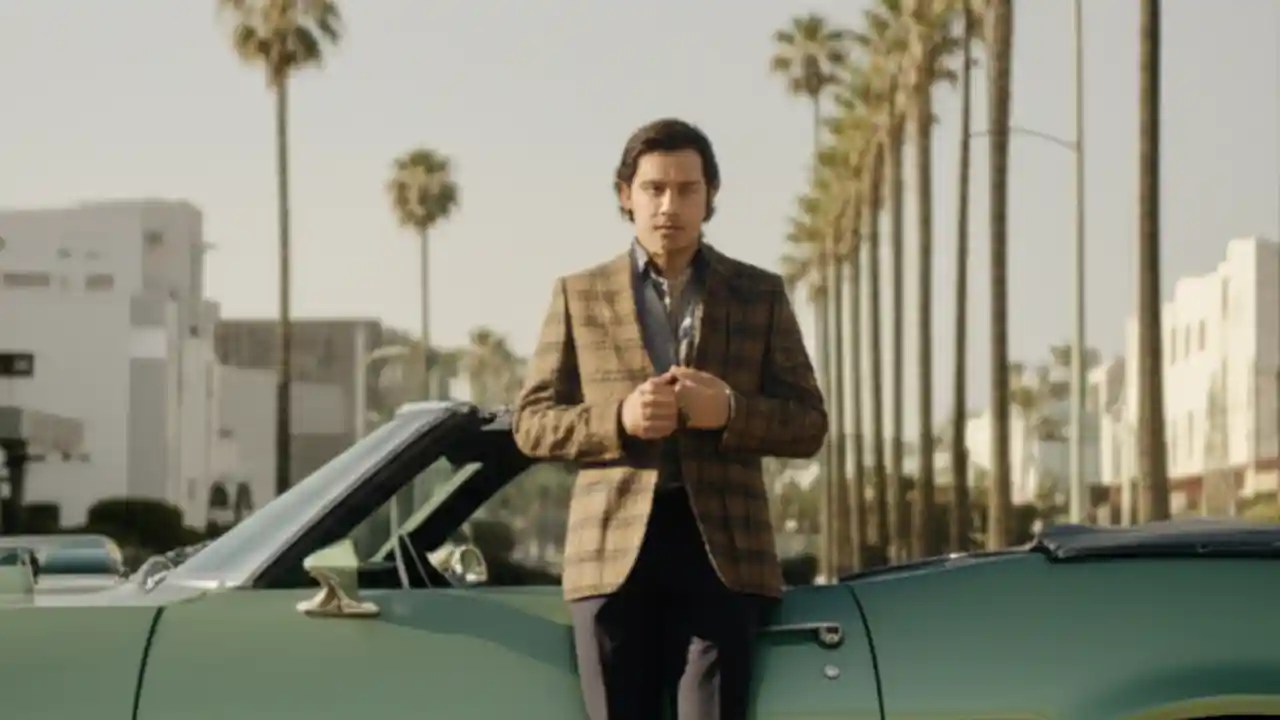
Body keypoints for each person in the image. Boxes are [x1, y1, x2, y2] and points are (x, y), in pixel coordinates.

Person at [512, 117, 828, 720]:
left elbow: (808, 422)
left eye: (687, 189)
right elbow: (532, 423)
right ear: (624, 194)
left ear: (711, 197)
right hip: (610, 550)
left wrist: (729, 410)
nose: (669, 205)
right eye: (654, 188)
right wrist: (619, 419)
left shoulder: (758, 294)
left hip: (723, 552)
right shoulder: (579, 294)